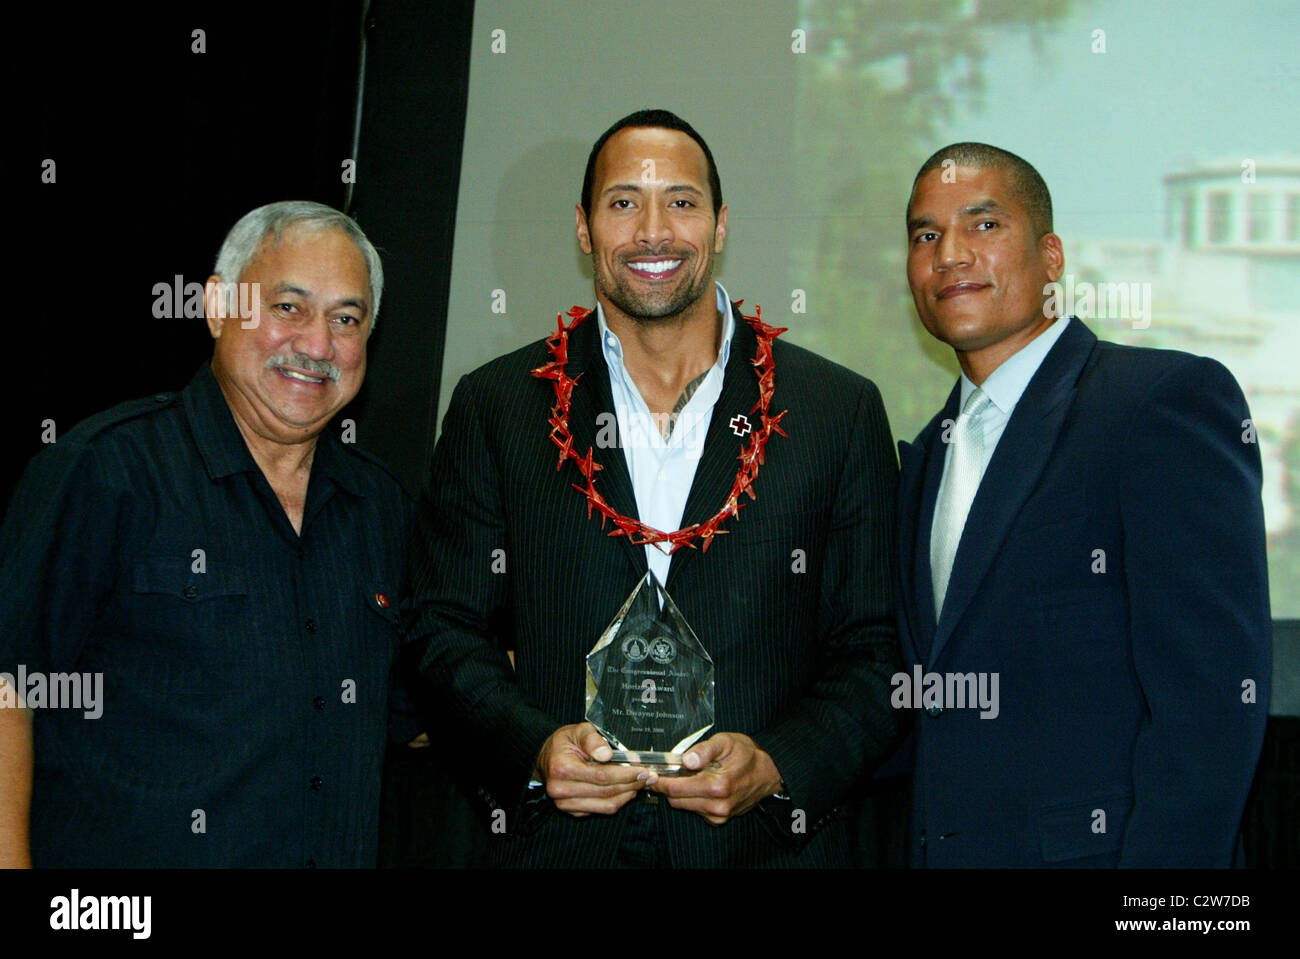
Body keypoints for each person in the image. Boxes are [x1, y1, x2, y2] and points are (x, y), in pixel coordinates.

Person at [408, 109, 907, 867]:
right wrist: (535, 748)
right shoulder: (498, 405)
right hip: (560, 850)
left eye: (681, 201)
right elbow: (442, 629)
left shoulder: (835, 411)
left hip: (760, 849)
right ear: (583, 228)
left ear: (720, 223)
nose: (652, 231)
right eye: (622, 203)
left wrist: (777, 764)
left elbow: (877, 651)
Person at [0, 201, 418, 867]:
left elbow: (413, 708)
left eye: (347, 318)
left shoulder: (382, 509)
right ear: (218, 305)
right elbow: (9, 687)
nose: (317, 344)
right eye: (289, 307)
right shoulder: (107, 470)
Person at [895, 142, 1272, 867]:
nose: (950, 254)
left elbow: (1212, 711)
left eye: (983, 225)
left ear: (1053, 256)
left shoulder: (1160, 403)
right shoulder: (923, 457)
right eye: (925, 235)